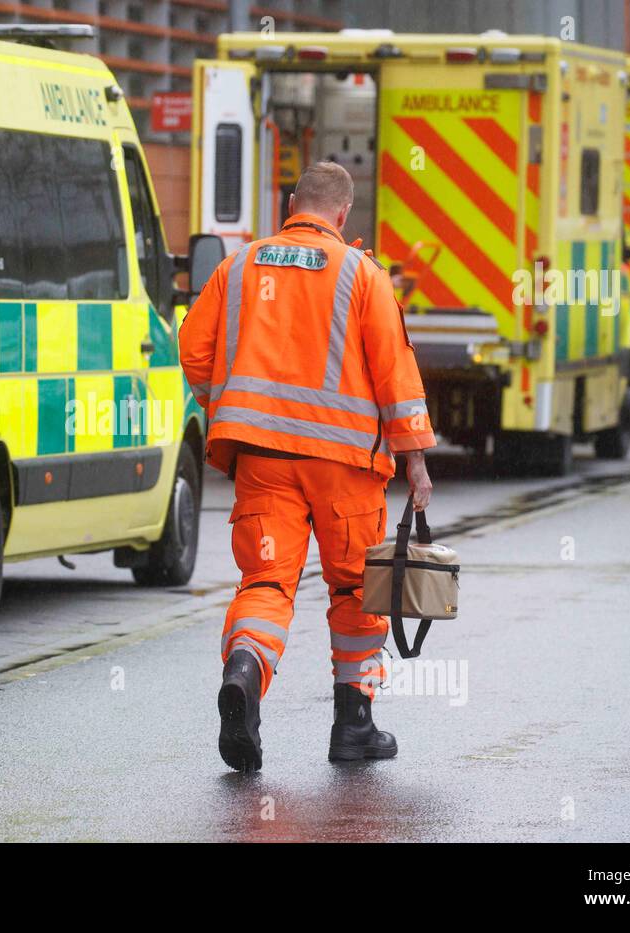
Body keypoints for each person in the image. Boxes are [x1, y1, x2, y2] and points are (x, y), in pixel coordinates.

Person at [180, 162, 436, 772]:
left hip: (264, 462)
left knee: (266, 584)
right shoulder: (360, 273)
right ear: (344, 215)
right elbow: (395, 374)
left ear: (292, 203)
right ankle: (353, 727)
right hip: (344, 468)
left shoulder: (239, 265)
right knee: (354, 588)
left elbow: (193, 351)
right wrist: (416, 461)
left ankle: (244, 671)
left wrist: (229, 410)